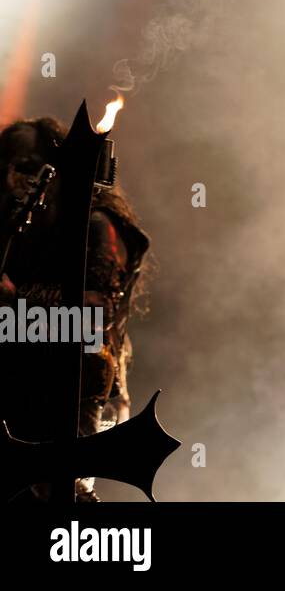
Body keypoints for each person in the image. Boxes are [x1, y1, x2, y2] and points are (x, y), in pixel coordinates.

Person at [0, 116, 151, 501]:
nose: (15, 180)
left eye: (30, 168)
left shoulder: (97, 226)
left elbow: (91, 319)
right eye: (7, 168)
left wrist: (13, 301)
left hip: (76, 397)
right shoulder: (18, 227)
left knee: (62, 498)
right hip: (21, 390)